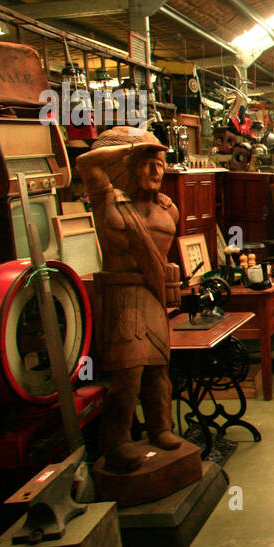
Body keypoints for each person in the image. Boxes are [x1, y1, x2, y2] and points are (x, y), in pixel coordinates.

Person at [75, 127, 192, 473]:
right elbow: (84, 162)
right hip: (122, 292)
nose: (156, 171)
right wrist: (131, 145)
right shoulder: (108, 199)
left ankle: (161, 428)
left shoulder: (167, 209)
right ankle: (118, 440)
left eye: (160, 164)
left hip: (152, 292)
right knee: (129, 373)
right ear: (127, 165)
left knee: (158, 369)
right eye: (147, 163)